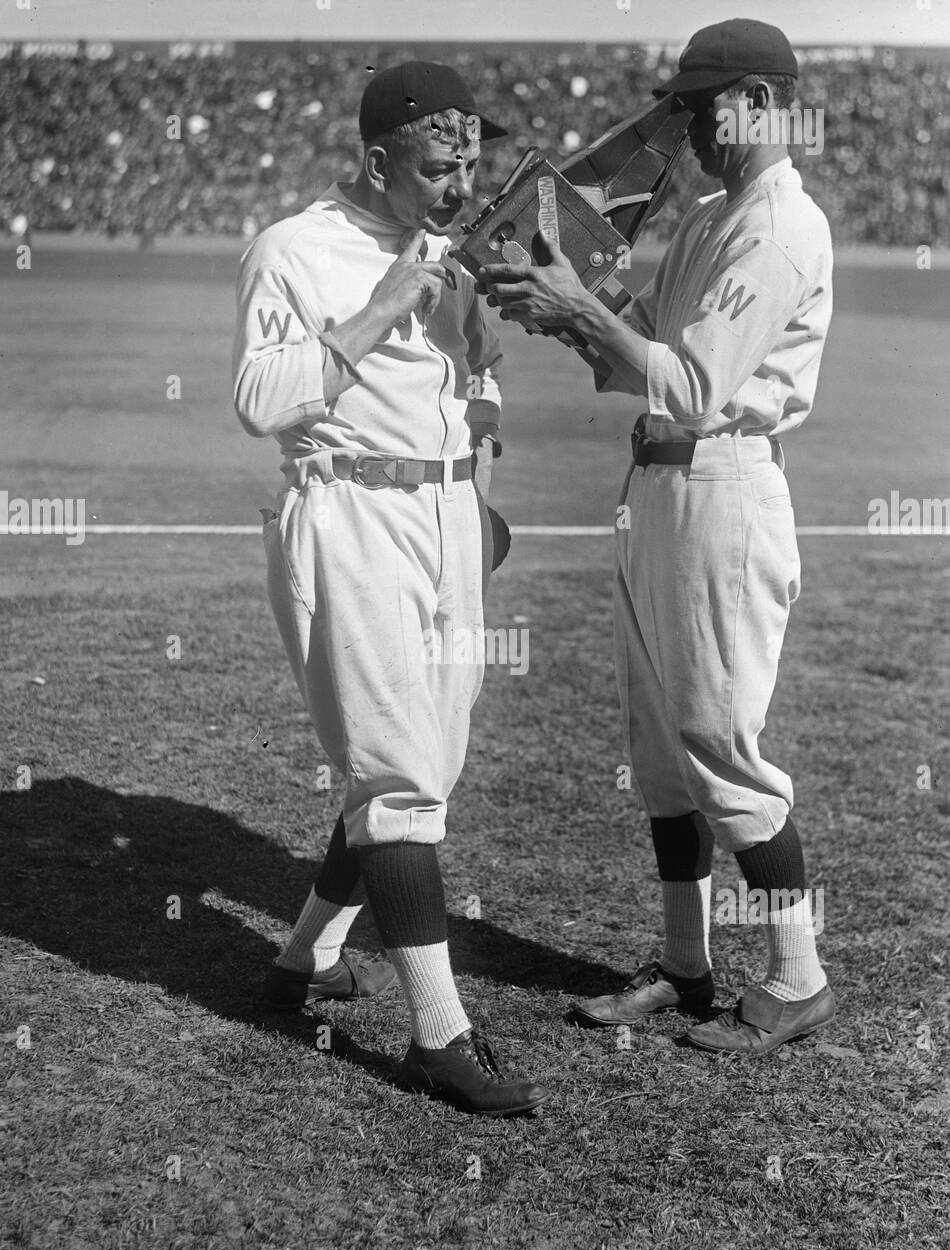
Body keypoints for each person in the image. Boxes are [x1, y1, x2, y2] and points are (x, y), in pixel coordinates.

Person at [481, 19, 835, 1054]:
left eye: (704, 103)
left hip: (721, 490)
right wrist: (572, 299)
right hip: (658, 487)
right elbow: (639, 359)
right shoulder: (712, 219)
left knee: (720, 743)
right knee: (661, 753)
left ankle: (796, 976)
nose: (685, 121)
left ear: (761, 103)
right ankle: (684, 964)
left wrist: (584, 313)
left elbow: (691, 383)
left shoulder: (778, 226)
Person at [233, 60, 550, 1114]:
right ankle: (438, 1035)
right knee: (399, 773)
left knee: (424, 758)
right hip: (350, 515)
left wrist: (472, 371)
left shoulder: (447, 250)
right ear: (376, 159)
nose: (459, 186)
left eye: (470, 164)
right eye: (436, 166)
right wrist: (376, 312)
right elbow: (261, 400)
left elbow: (478, 394)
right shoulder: (294, 248)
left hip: (445, 520)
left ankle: (299, 961)